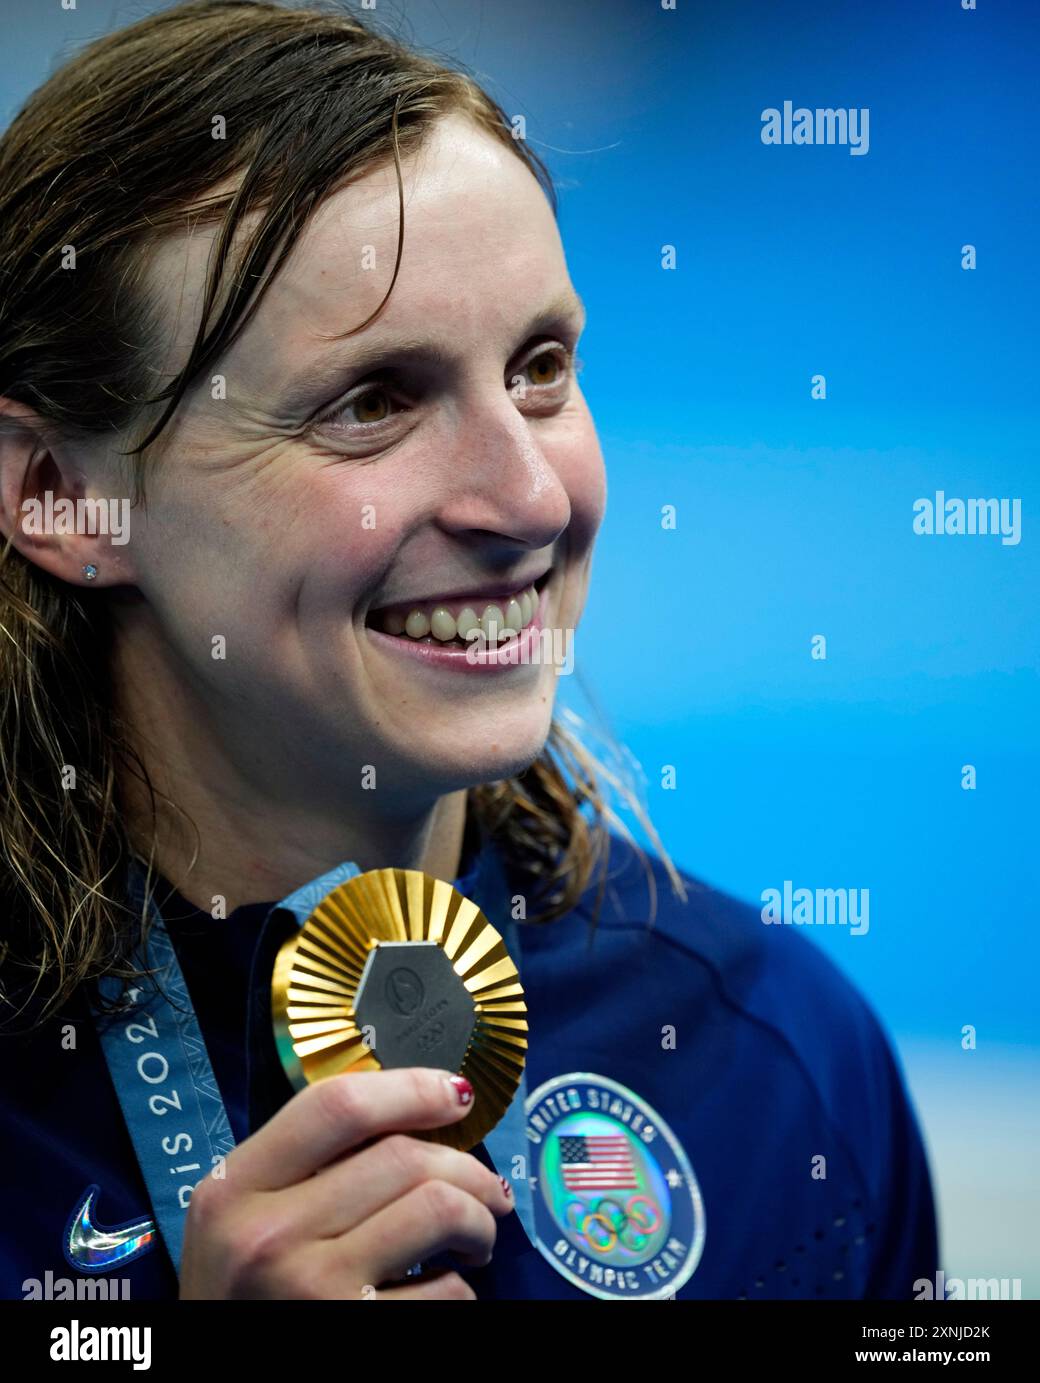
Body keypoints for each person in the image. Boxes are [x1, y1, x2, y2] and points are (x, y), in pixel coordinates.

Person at [0, 0, 937, 1302]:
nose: (530, 500)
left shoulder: (770, 1058)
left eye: (541, 367)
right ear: (58, 492)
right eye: (374, 401)